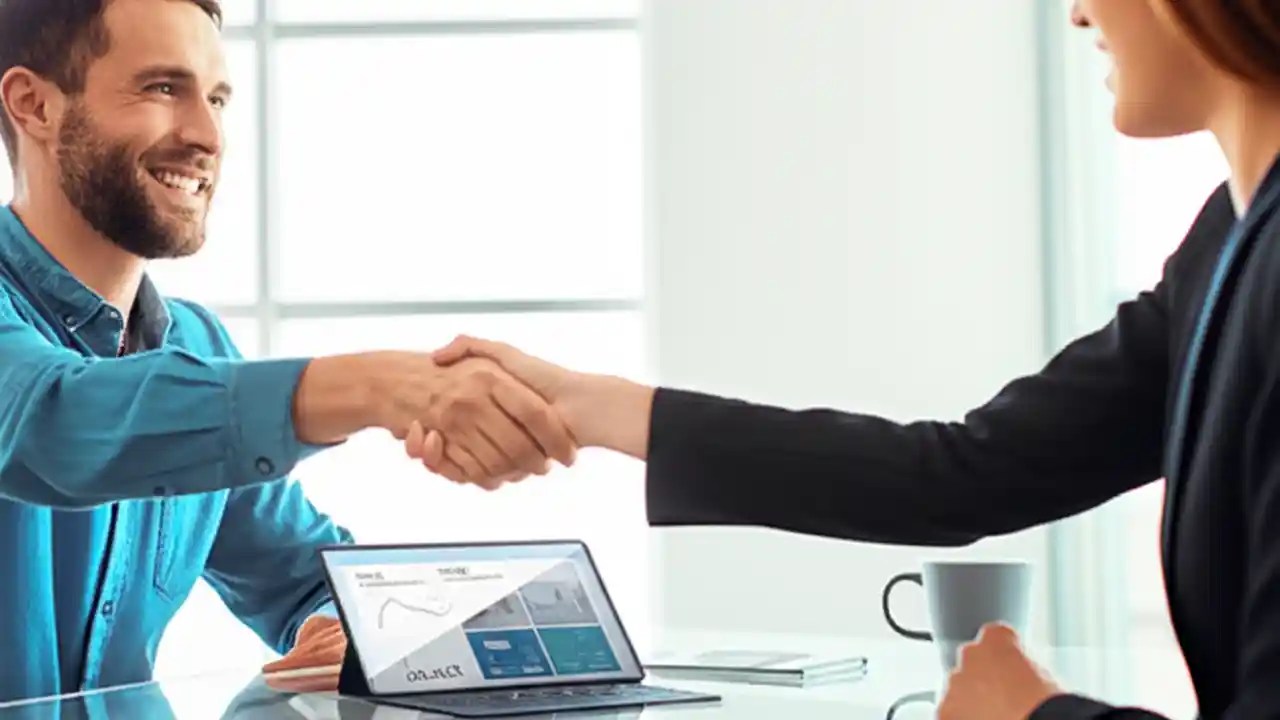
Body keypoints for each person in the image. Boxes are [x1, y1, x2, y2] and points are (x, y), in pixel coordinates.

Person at [413, 0, 1280, 718]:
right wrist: (593, 408)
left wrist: (1037, 718)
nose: (1079, 13)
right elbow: (967, 473)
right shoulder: (1227, 244)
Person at [0, 0, 575, 703]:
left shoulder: (197, 346)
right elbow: (55, 426)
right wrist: (374, 389)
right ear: (33, 104)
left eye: (216, 98)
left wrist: (352, 629)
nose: (208, 134)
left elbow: (303, 573)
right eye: (162, 88)